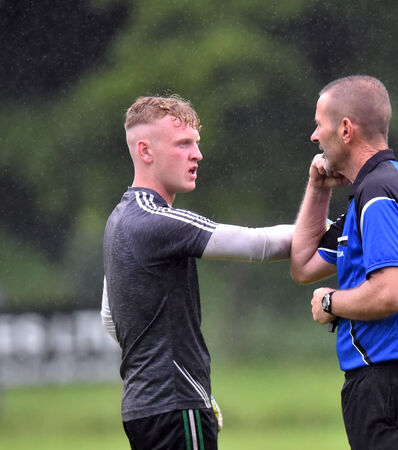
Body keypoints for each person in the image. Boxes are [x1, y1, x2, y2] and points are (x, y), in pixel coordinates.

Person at [102, 94, 294, 450]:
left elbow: (109, 318)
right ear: (145, 151)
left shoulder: (119, 219)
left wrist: (154, 369)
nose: (197, 154)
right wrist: (335, 229)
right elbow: (258, 245)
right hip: (176, 405)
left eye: (196, 143)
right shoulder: (156, 220)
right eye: (183, 144)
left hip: (143, 407)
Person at [290, 75, 398, 449]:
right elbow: (303, 264)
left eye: (319, 124)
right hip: (397, 390)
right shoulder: (369, 193)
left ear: (345, 129)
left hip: (395, 390)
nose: (314, 136)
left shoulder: (378, 193)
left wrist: (331, 302)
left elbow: (392, 292)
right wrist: (317, 189)